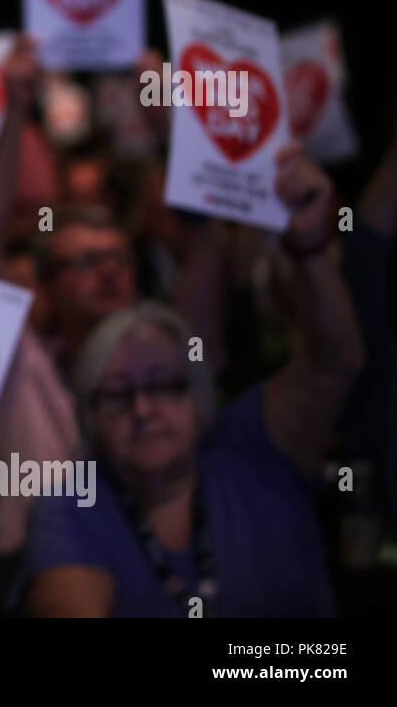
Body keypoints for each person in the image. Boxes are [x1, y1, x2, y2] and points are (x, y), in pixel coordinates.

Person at [20, 143, 364, 617]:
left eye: (163, 385)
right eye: (118, 396)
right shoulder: (71, 503)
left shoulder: (256, 446)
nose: (143, 410)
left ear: (199, 395)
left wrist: (309, 245)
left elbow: (336, 361)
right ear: (90, 417)